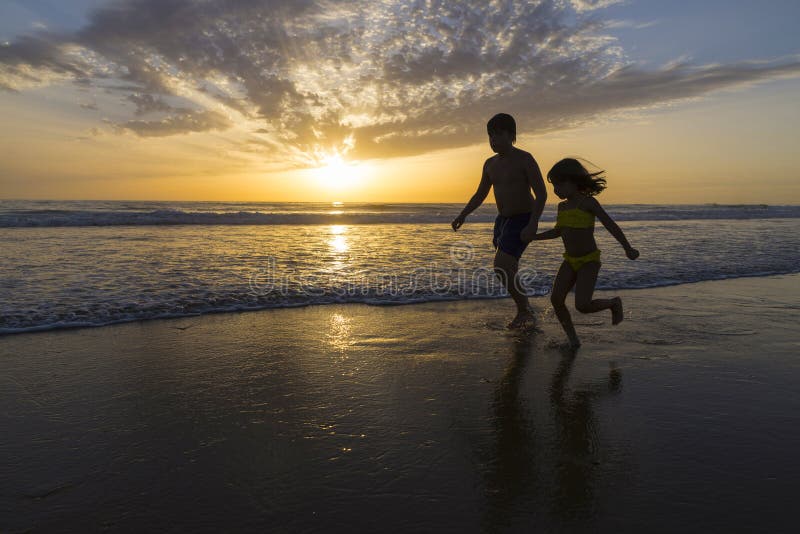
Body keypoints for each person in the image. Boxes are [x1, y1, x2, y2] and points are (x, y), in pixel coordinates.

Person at [530, 158, 639, 348]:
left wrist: (627, 247)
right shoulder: (561, 207)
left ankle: (613, 303)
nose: (556, 190)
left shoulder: (588, 203)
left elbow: (610, 225)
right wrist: (534, 237)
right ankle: (573, 340)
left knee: (582, 305)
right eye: (554, 185)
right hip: (570, 261)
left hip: (589, 261)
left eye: (559, 184)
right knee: (556, 299)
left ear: (574, 181)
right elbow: (558, 231)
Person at [452, 113, 547, 328]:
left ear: (512, 135)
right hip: (502, 220)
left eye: (498, 135)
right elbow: (480, 194)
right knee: (508, 267)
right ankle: (526, 308)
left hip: (523, 218)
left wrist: (533, 223)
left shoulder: (525, 159)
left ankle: (524, 311)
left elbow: (541, 194)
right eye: (490, 136)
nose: (493, 140)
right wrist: (463, 215)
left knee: (501, 266)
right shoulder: (489, 164)